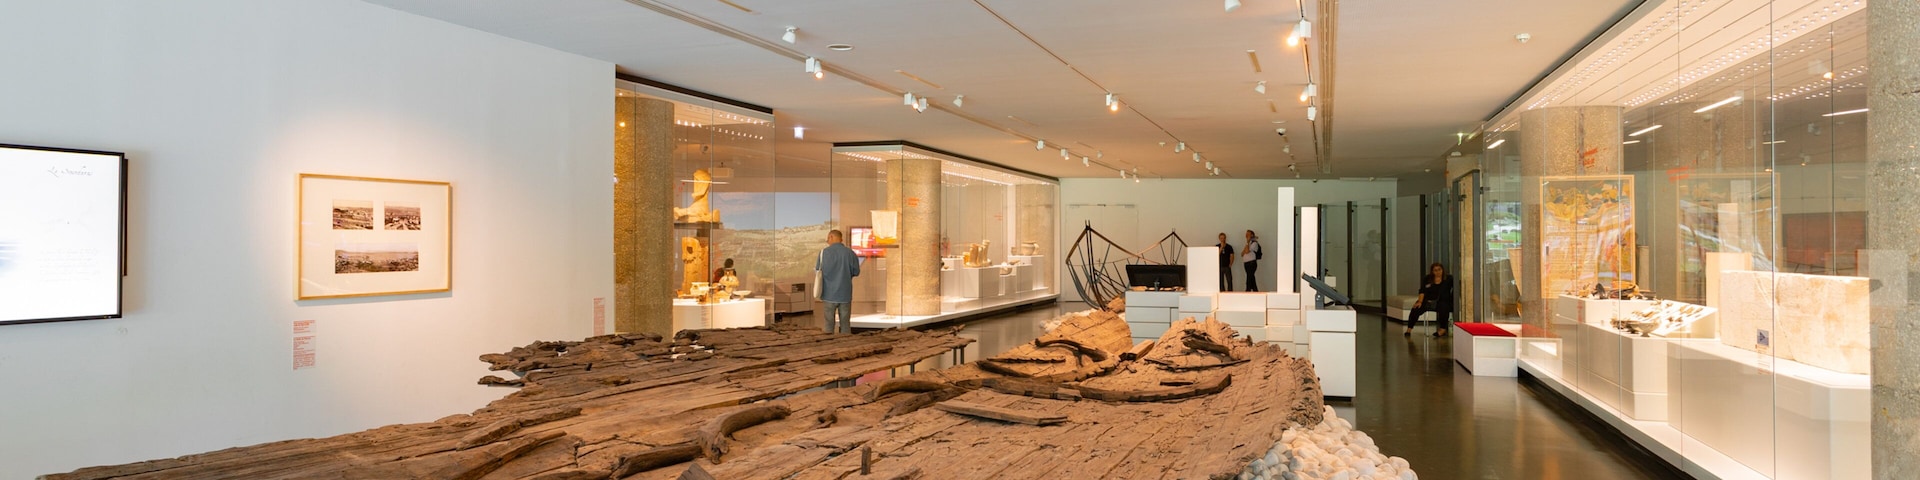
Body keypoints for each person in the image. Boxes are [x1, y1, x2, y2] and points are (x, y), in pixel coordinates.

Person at [816, 230, 860, 334]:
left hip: (828, 294)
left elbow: (818, 270)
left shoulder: (823, 253)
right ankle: (846, 346)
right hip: (845, 294)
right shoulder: (850, 253)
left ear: (831, 237)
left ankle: (829, 346)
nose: (827, 241)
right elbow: (856, 272)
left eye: (828, 238)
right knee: (845, 325)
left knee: (828, 325)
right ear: (841, 239)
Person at [1407, 262, 1455, 337]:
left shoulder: (1449, 279)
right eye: (1435, 270)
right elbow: (1422, 291)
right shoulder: (1427, 279)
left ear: (1442, 270)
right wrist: (1420, 301)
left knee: (1444, 308)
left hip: (1443, 301)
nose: (1438, 272)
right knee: (1416, 308)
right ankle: (1409, 329)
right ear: (1432, 271)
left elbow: (1456, 288)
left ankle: (1442, 330)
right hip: (1428, 300)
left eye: (1439, 269)